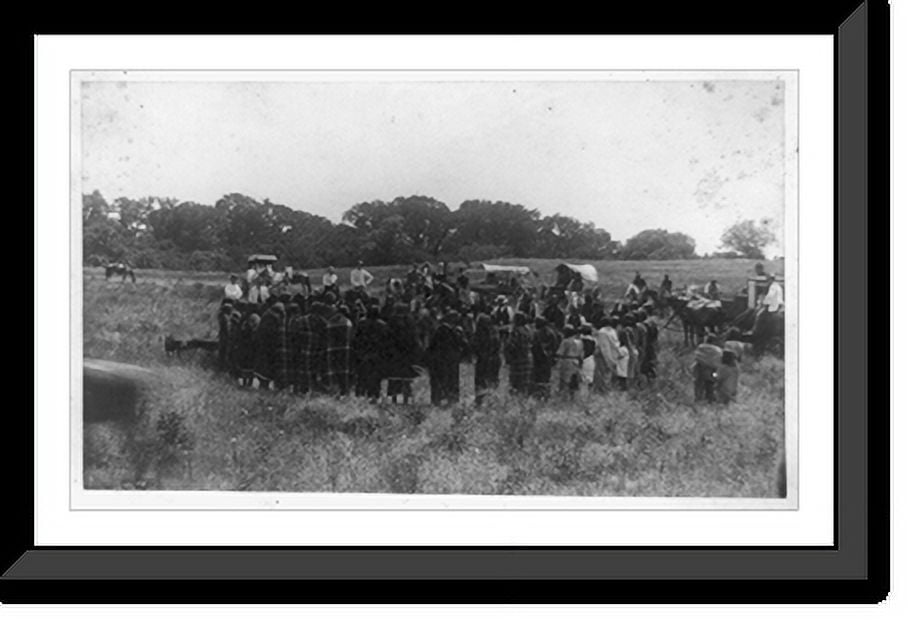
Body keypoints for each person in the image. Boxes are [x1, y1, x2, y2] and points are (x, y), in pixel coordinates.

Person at [427, 311, 466, 406]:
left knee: (442, 380)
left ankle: (438, 399)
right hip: (449, 359)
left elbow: (431, 345)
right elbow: (461, 343)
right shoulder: (451, 331)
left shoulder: (440, 330)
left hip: (441, 359)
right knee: (449, 380)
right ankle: (450, 399)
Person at [386, 303, 421, 404]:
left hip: (394, 354)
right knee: (406, 378)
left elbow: (387, 337)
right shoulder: (410, 322)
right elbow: (415, 339)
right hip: (407, 354)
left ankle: (393, 399)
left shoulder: (392, 321)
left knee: (394, 378)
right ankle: (406, 399)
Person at [352, 305, 389, 401]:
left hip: (363, 353)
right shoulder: (382, 325)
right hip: (377, 354)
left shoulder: (361, 323)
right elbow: (386, 340)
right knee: (376, 376)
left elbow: (356, 338)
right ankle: (374, 394)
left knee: (362, 375)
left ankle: (361, 394)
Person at [471, 313, 501, 406]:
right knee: (492, 379)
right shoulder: (495, 331)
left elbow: (474, 346)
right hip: (495, 359)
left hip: (483, 360)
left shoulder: (479, 334)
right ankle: (491, 400)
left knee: (481, 380)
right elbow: (498, 345)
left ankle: (480, 400)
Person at [325, 302, 354, 396]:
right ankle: (344, 391)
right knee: (344, 371)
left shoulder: (330, 321)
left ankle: (334, 390)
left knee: (334, 371)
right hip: (344, 349)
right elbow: (350, 336)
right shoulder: (347, 321)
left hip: (331, 349)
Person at [504, 312, 533, 396]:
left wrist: (508, 357)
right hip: (528, 357)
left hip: (517, 359)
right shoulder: (528, 330)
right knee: (525, 381)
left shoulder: (515, 331)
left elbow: (511, 345)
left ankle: (515, 398)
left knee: (515, 382)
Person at [530, 316, 560, 399]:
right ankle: (545, 395)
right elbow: (555, 345)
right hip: (548, 359)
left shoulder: (538, 333)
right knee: (546, 378)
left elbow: (534, 346)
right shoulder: (551, 332)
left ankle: (538, 395)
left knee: (538, 378)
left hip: (538, 359)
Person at [593, 317, 621, 394]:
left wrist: (608, 360)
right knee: (608, 374)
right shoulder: (613, 331)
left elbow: (604, 347)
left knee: (603, 374)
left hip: (604, 356)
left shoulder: (602, 332)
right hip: (613, 355)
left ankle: (603, 392)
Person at [692, 334, 723, 402]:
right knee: (711, 383)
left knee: (698, 384)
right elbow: (719, 362)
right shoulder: (718, 350)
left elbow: (696, 357)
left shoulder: (700, 347)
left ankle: (698, 398)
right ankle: (710, 398)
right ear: (715, 341)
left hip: (699, 368)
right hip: (712, 370)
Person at [555, 326, 584, 399]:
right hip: (576, 361)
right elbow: (581, 354)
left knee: (565, 380)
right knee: (574, 380)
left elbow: (560, 353)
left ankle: (564, 397)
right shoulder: (579, 342)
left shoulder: (565, 341)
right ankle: (573, 396)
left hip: (567, 361)